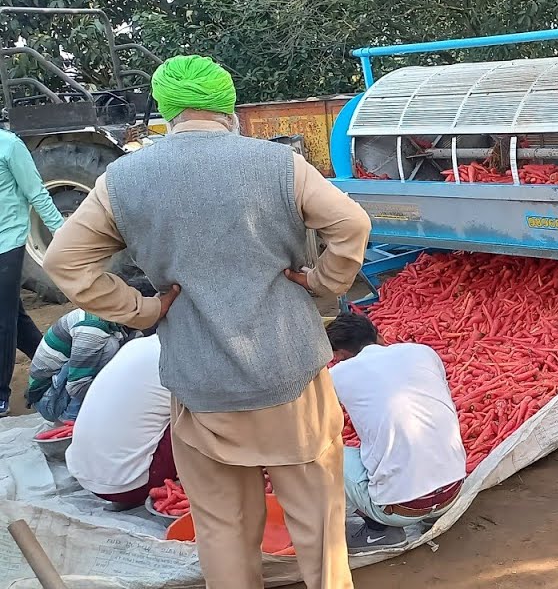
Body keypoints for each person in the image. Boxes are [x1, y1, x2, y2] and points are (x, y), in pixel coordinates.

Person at [43, 55, 371, 589]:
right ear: (228, 109)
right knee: (319, 526)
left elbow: (63, 261)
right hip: (289, 374)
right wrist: (323, 282)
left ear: (168, 112)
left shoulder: (123, 178)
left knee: (222, 528)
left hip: (199, 382)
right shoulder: (277, 164)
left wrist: (141, 310)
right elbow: (351, 222)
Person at [326, 313, 466, 552]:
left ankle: (379, 532)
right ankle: (431, 514)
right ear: (378, 336)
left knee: (323, 454)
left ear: (340, 355)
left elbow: (313, 425)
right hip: (454, 493)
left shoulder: (337, 375)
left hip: (401, 509)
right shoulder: (423, 352)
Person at [65, 332, 177, 508]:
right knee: (206, 413)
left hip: (84, 474)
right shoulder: (183, 357)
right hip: (131, 485)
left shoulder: (137, 345)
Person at [25, 274, 156, 423]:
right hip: (50, 399)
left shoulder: (121, 323)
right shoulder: (92, 329)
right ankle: (73, 420)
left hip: (64, 388)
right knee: (111, 348)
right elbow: (77, 386)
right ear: (137, 310)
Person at [0, 130, 65, 416]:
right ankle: (54, 366)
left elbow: (36, 192)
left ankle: (1, 395)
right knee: (13, 315)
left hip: (7, 242)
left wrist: (63, 235)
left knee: (3, 321)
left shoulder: (10, 146)